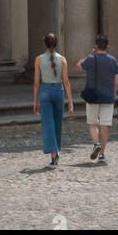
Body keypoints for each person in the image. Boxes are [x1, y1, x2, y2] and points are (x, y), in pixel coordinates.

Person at [78, 34, 118, 164]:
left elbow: (78, 65)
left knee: (92, 123)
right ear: (107, 46)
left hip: (93, 96)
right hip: (108, 96)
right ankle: (102, 154)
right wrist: (113, 94)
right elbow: (116, 82)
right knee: (105, 125)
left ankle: (96, 143)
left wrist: (90, 55)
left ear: (96, 46)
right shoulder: (113, 60)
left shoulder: (91, 58)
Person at [32, 32, 74, 166]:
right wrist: (71, 101)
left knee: (48, 124)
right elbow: (66, 81)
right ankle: (56, 151)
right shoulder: (62, 59)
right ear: (56, 44)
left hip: (45, 91)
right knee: (57, 123)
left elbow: (36, 83)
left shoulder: (38, 59)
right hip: (59, 91)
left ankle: (53, 153)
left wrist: (35, 101)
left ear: (45, 44)